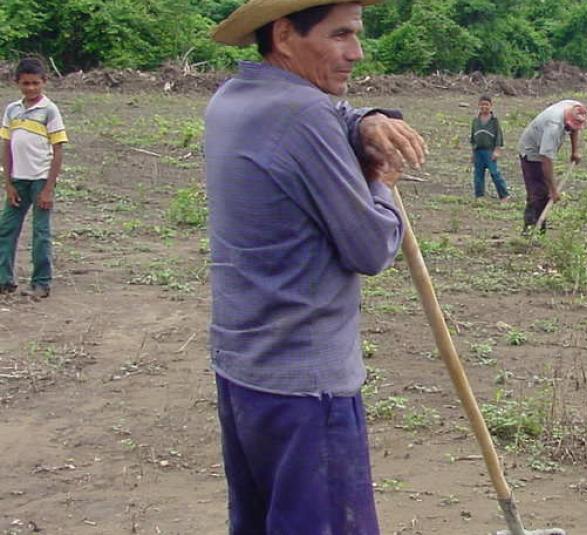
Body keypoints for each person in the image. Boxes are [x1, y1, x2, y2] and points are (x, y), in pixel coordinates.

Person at [205, 1, 427, 533]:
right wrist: (381, 182)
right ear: (284, 36)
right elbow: (371, 247)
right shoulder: (302, 115)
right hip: (306, 386)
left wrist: (369, 119)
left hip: (245, 373)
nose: (357, 52)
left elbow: (336, 114)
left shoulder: (233, 98)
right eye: (340, 35)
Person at [0, 57, 67, 300]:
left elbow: (58, 149)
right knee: (6, 229)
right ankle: (4, 280)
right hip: (18, 180)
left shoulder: (49, 110)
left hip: (40, 179)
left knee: (41, 233)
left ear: (44, 82)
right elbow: (6, 147)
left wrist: (48, 187)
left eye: (35, 83)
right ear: (17, 82)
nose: (30, 88)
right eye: (25, 83)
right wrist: (8, 183)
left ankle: (41, 282)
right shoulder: (12, 110)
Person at [517, 99, 587, 233]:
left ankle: (540, 229)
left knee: (543, 193)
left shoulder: (575, 107)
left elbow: (574, 129)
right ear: (566, 119)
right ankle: (531, 230)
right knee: (538, 192)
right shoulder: (553, 127)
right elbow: (546, 160)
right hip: (531, 151)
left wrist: (575, 151)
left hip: (543, 147)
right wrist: (553, 190)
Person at [469, 94, 509, 201]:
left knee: (494, 173)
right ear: (478, 105)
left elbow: (499, 136)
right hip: (478, 151)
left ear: (491, 106)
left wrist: (497, 150)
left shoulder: (494, 121)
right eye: (482, 105)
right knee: (478, 174)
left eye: (486, 105)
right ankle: (479, 196)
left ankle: (504, 195)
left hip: (490, 151)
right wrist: (473, 153)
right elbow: (473, 137)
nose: (484, 107)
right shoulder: (475, 121)